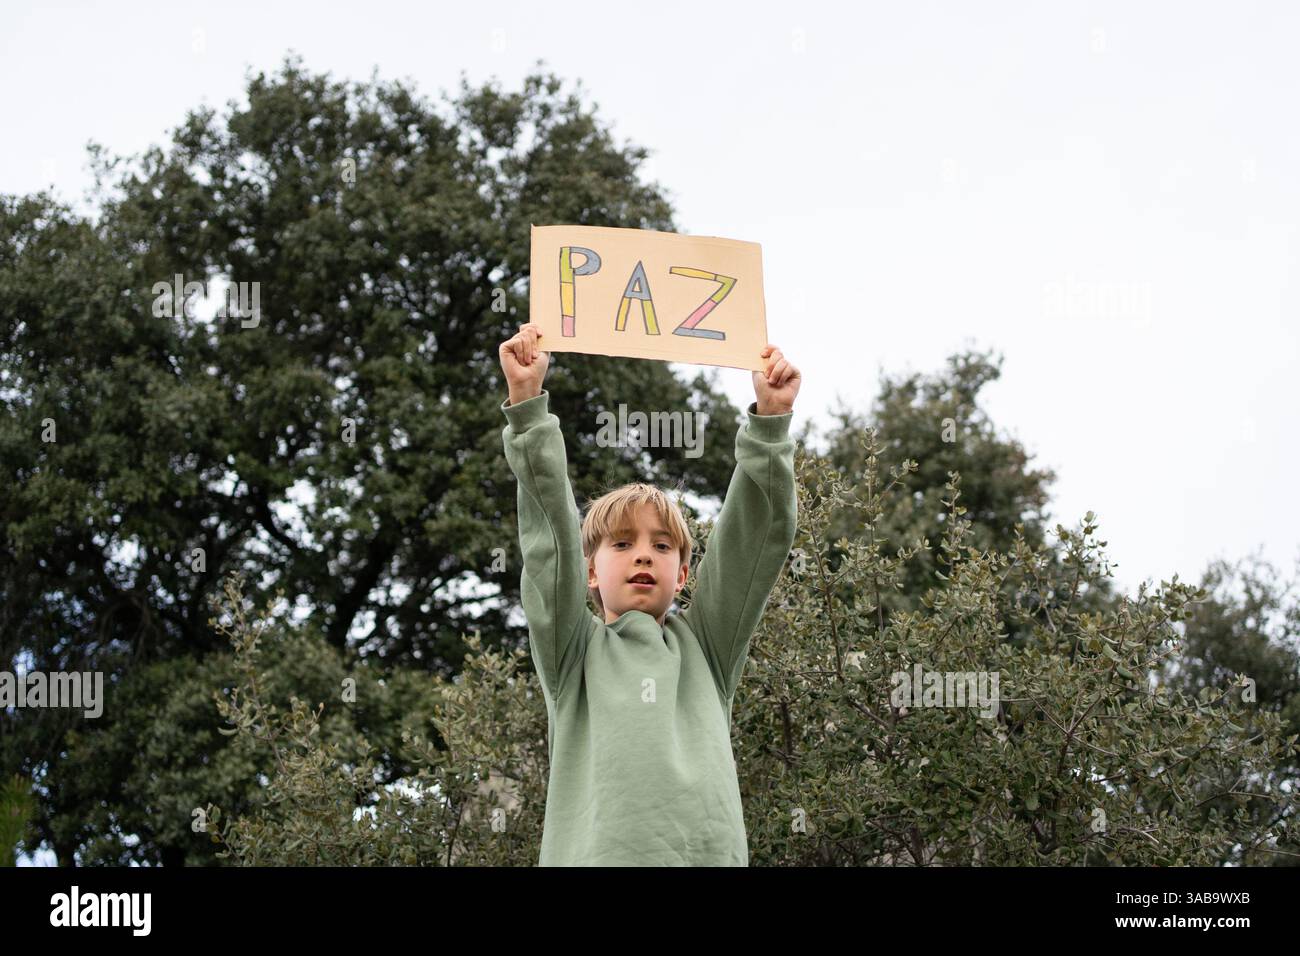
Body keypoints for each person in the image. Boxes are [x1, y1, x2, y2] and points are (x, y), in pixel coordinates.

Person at [498, 322, 801, 865]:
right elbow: (550, 545)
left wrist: (771, 425)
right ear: (591, 571)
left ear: (682, 575)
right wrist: (528, 408)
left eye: (662, 546)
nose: (643, 554)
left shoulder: (707, 649)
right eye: (622, 543)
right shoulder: (573, 651)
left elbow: (752, 545)